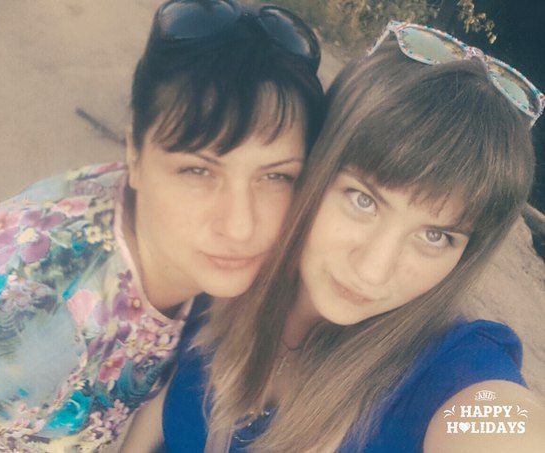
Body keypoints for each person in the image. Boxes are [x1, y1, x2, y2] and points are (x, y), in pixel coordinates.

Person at [0, 0, 324, 451]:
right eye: (197, 171)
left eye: (275, 177)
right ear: (135, 156)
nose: (241, 226)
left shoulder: (155, 229)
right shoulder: (29, 326)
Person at [156, 20, 545, 452]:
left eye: (436, 236)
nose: (373, 271)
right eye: (364, 200)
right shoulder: (232, 262)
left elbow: (506, 425)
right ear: (315, 163)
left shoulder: (449, 373)